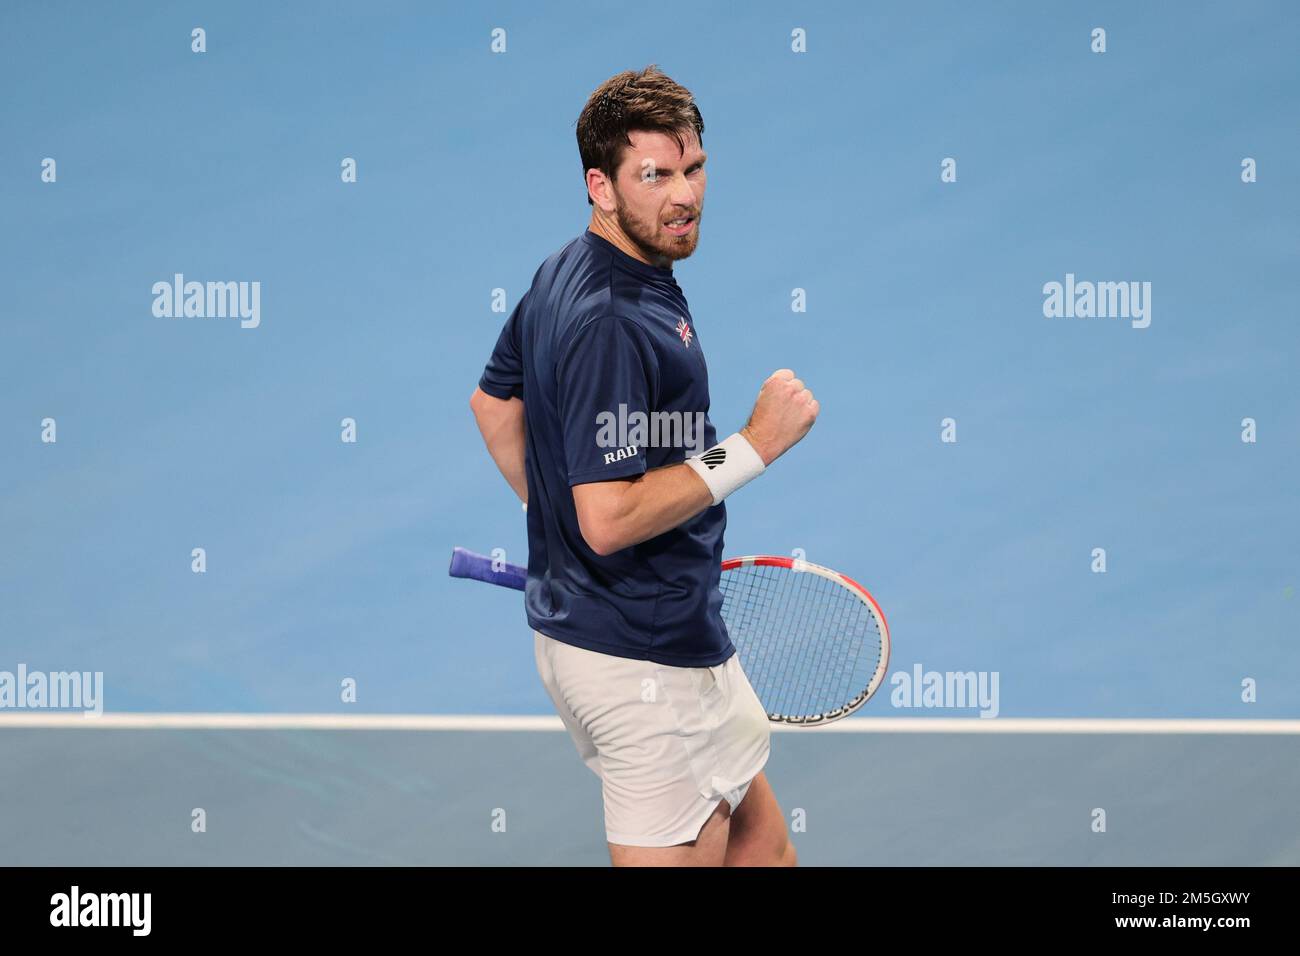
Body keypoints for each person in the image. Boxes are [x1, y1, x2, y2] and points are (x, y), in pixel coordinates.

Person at [469, 65, 817, 866]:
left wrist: (559, 539)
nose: (683, 195)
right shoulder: (614, 321)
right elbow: (611, 516)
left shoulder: (568, 270)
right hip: (643, 664)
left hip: (662, 633)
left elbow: (495, 407)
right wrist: (754, 444)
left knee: (763, 852)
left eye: (692, 169)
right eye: (654, 176)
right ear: (602, 186)